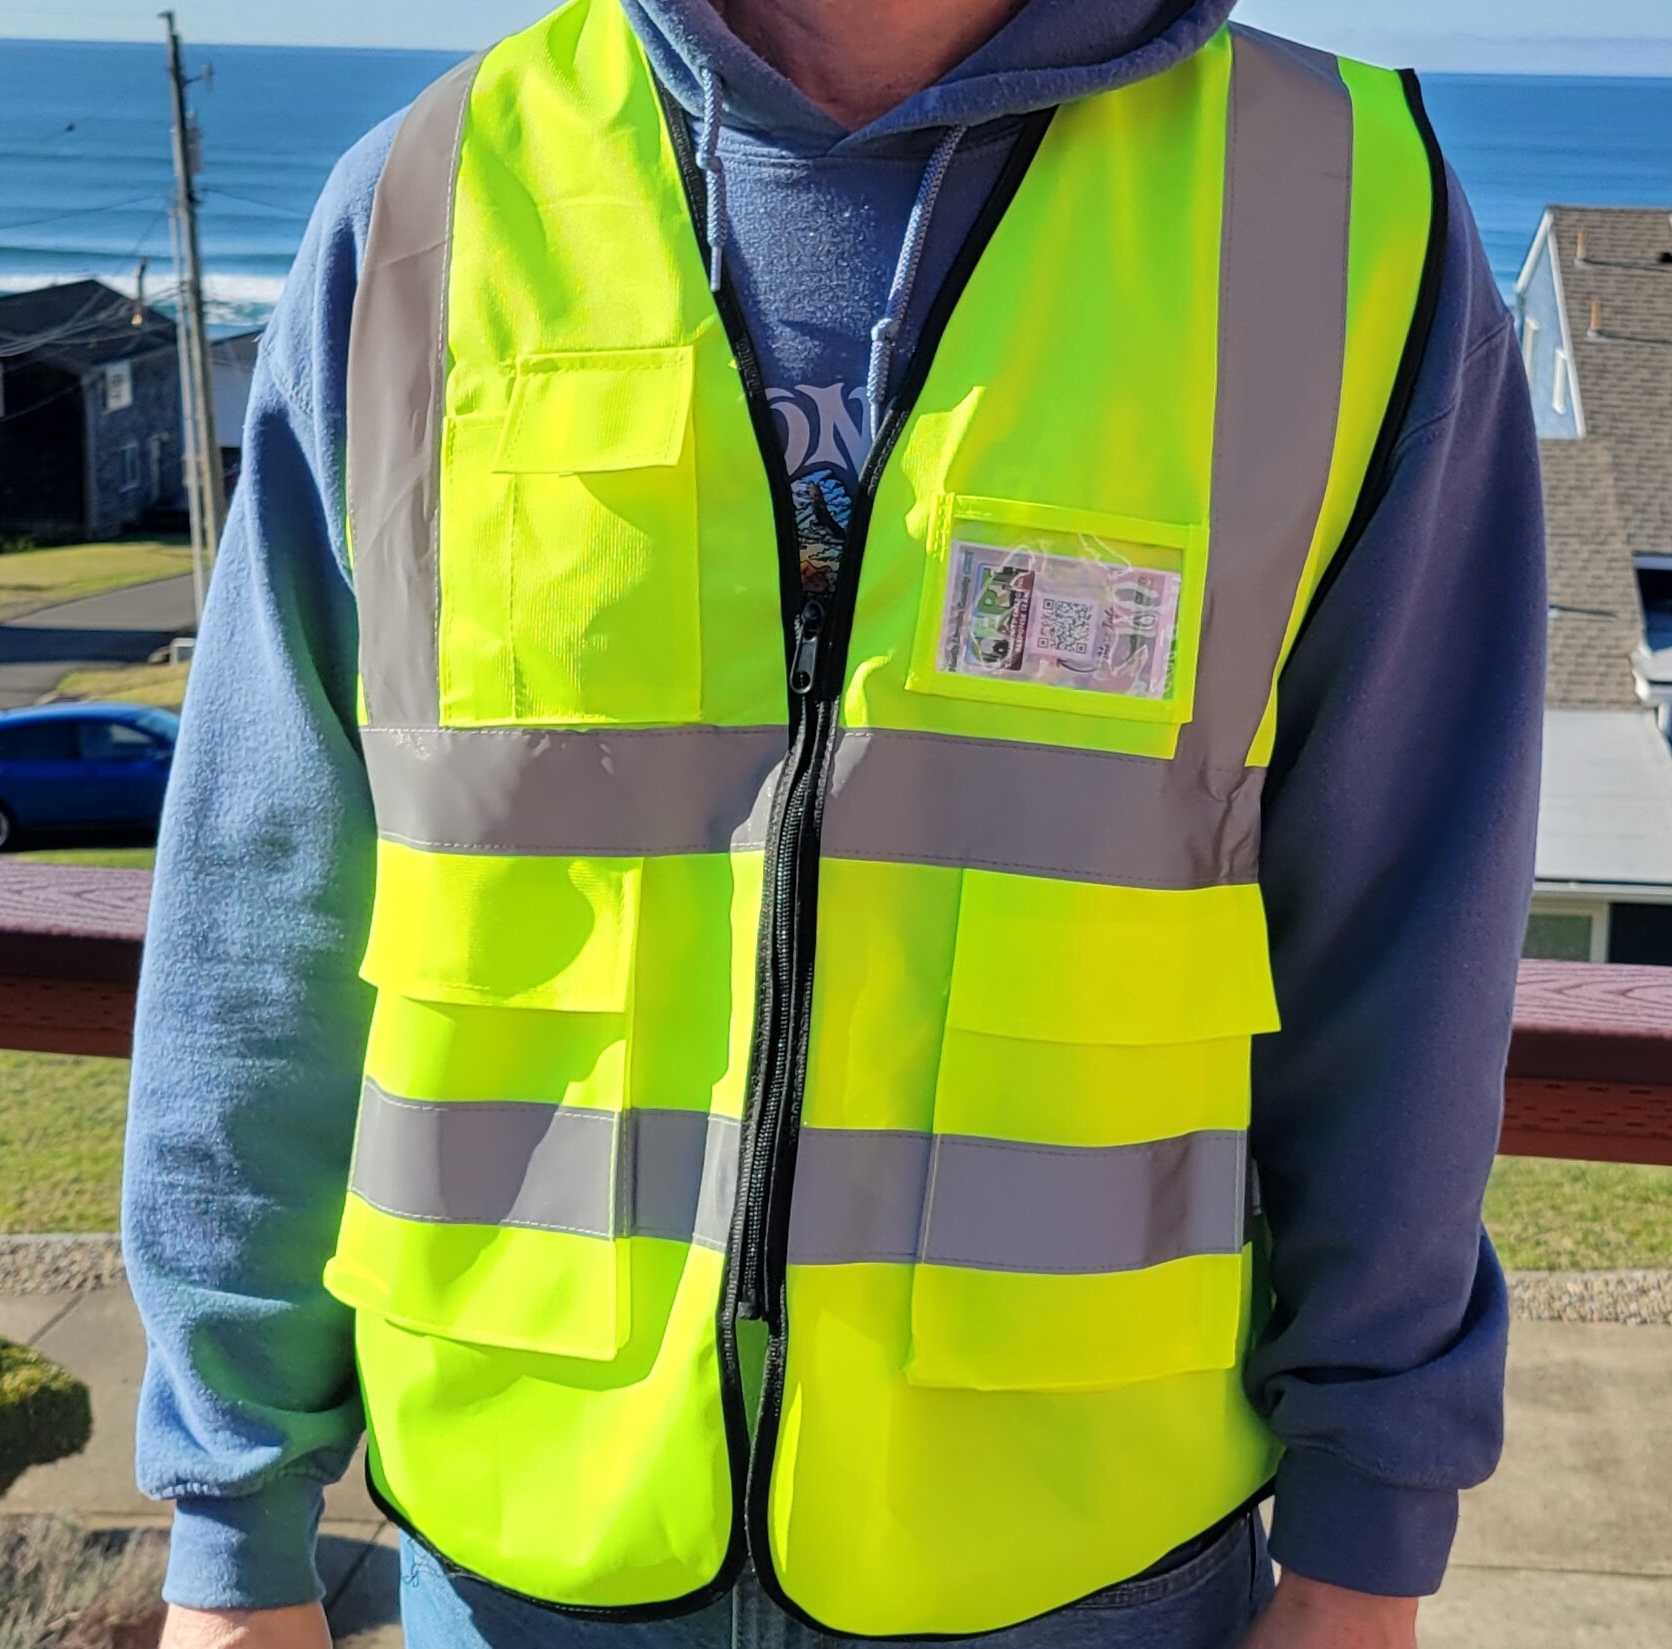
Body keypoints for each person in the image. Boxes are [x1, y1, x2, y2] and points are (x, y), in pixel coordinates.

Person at [125, 1, 1546, 1646]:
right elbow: (267, 904)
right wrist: (232, 1530)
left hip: (1092, 1577)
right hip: (514, 1566)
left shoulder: (1341, 212)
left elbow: (1405, 929)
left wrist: (1368, 1541)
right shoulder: (423, 207)